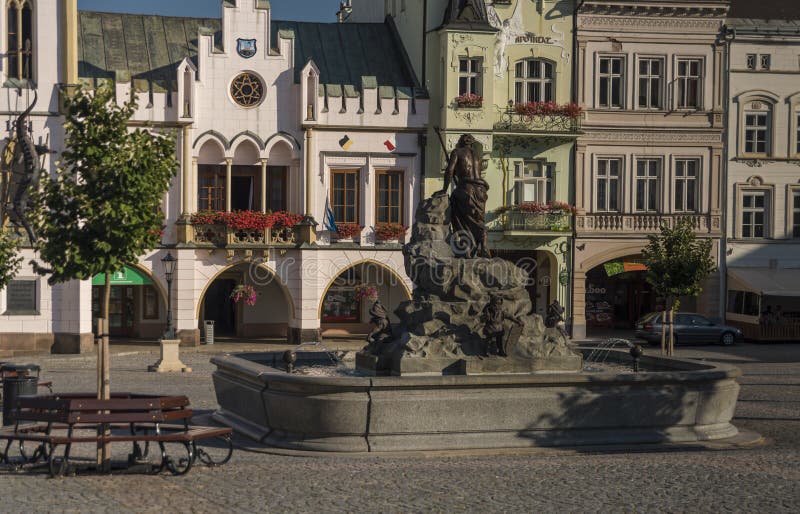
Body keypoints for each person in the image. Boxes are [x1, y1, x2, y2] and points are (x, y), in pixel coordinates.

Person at [437, 133, 490, 259]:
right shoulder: (477, 156)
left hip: (467, 188)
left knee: (456, 213)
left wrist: (444, 189)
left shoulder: (457, 152)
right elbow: (473, 172)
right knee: (477, 218)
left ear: (461, 142)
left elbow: (450, 170)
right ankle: (480, 245)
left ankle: (468, 245)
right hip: (481, 190)